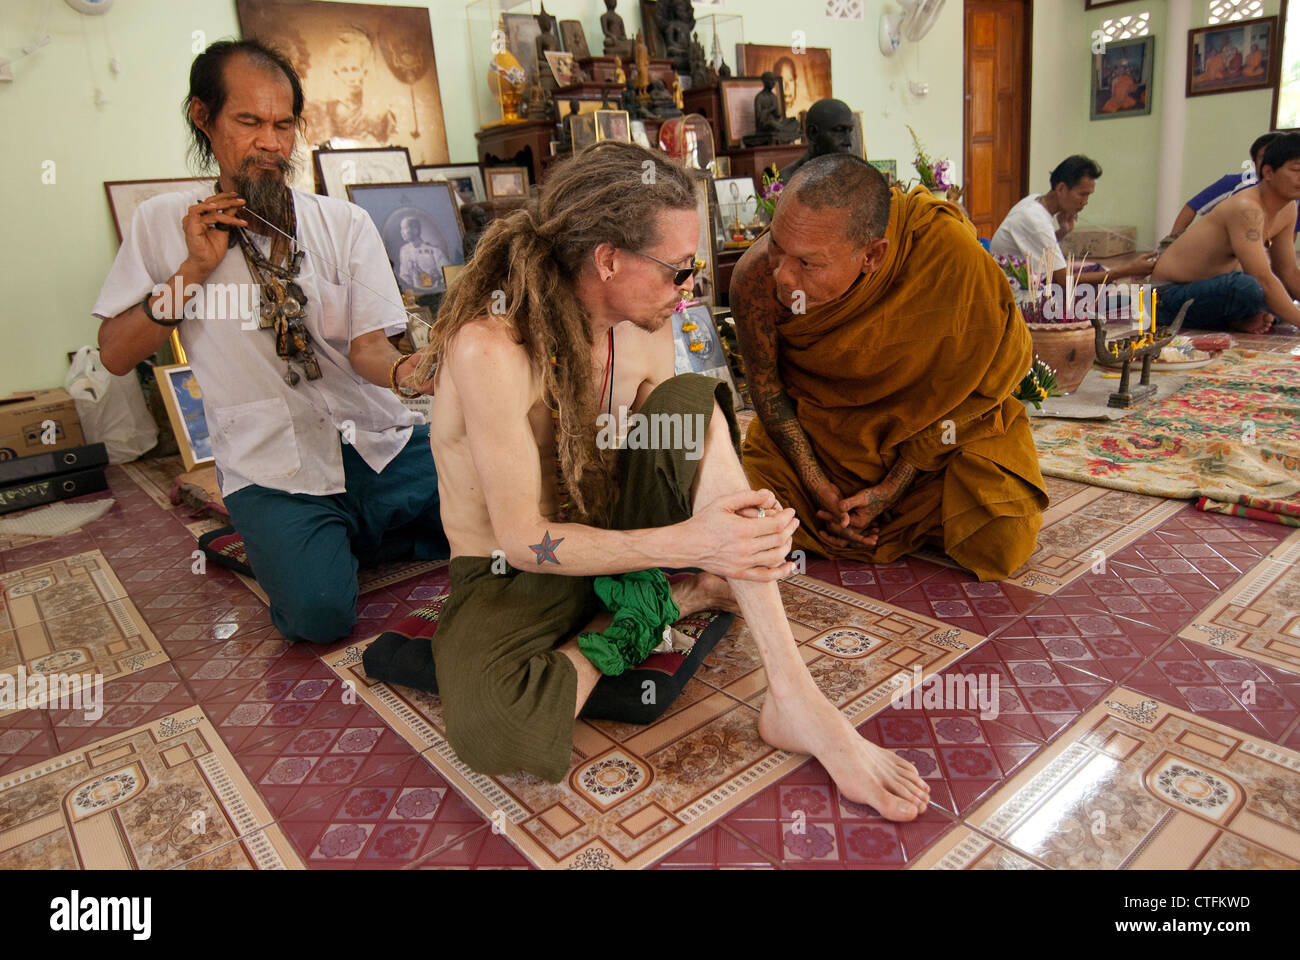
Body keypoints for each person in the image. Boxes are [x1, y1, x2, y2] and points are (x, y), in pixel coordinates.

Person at [361, 142, 931, 822]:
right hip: (514, 574)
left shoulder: (643, 325)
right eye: (678, 270)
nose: (687, 289)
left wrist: (739, 516)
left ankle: (797, 699)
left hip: (614, 534)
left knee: (689, 400)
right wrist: (694, 545)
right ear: (608, 259)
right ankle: (665, 606)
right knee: (493, 731)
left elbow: (684, 446)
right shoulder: (491, 349)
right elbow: (521, 541)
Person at [93, 40, 446, 644]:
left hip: (378, 443)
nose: (271, 143)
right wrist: (192, 273)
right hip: (275, 466)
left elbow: (368, 349)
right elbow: (115, 354)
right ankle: (302, 541)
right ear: (203, 118)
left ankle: (333, 537)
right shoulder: (162, 224)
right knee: (319, 617)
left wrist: (410, 373)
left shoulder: (342, 224)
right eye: (249, 122)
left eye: (284, 125)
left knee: (502, 508)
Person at [733, 155, 1048, 581]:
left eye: (807, 263)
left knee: (1002, 534)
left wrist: (893, 486)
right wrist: (815, 483)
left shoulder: (948, 256)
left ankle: (891, 516)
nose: (783, 276)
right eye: (775, 246)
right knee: (741, 513)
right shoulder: (755, 279)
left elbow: (983, 388)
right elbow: (767, 392)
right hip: (819, 443)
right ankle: (839, 515)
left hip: (929, 453)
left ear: (872, 256)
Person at [1151, 132, 1300, 334]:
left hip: (1212, 289)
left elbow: (1288, 271)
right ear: (1268, 172)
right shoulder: (1246, 208)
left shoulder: (1289, 209)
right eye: (1297, 169)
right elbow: (1261, 277)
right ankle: (1241, 317)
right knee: (1247, 287)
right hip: (1166, 295)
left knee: (1280, 294)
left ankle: (1241, 318)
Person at [991, 155, 1155, 288]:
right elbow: (1064, 281)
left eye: (1088, 196)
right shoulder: (1035, 219)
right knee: (1103, 286)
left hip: (1035, 279)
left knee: (1098, 272)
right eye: (1082, 194)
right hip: (1019, 293)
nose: (1085, 202)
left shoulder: (1033, 200)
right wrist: (1126, 270)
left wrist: (1063, 231)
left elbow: (1039, 248)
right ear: (1061, 188)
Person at [1164, 132, 1291, 240]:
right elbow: (1192, 207)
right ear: (1254, 162)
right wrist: (1171, 241)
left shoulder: (1292, 195)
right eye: (1263, 158)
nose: (1270, 163)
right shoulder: (1236, 182)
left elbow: (1290, 235)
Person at [780, 98, 856, 182]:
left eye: (850, 130)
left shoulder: (858, 177)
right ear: (812, 133)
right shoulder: (787, 181)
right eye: (839, 130)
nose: (848, 142)